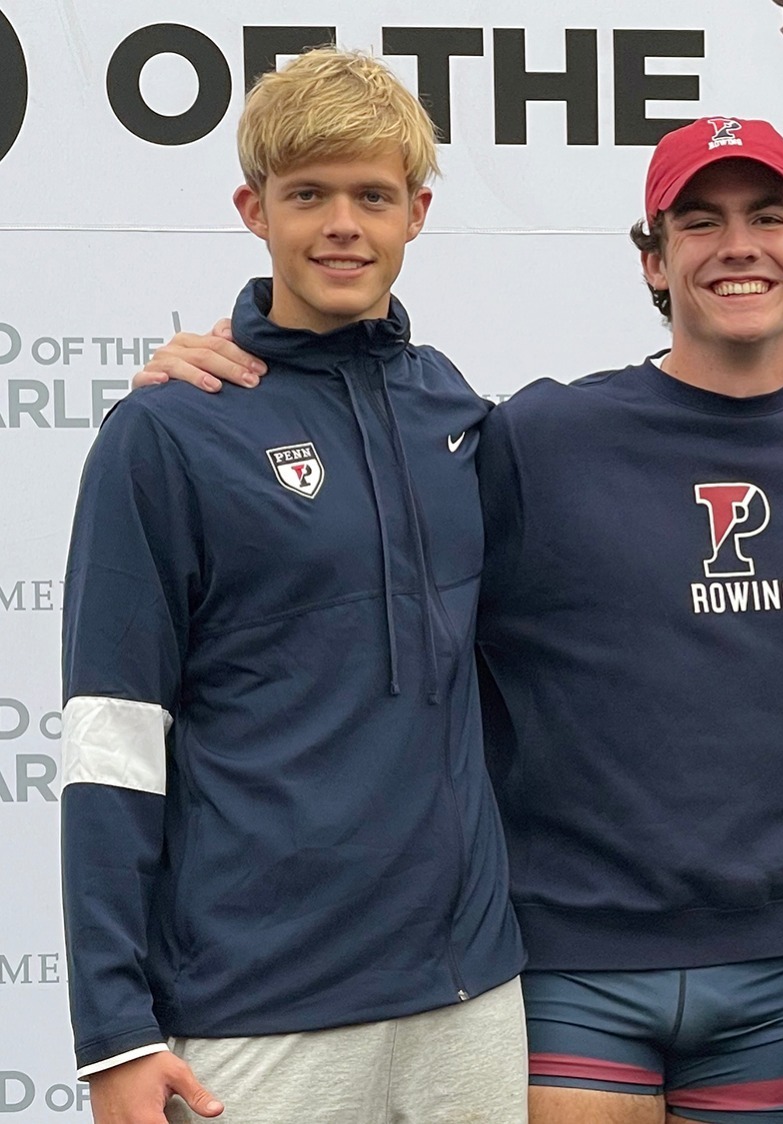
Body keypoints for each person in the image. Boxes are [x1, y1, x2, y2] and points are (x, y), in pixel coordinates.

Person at [58, 49, 525, 1124]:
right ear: (252, 207)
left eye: (372, 196)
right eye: (307, 194)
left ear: (417, 211)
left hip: (469, 997)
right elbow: (111, 735)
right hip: (259, 1008)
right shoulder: (167, 429)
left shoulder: (450, 409)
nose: (342, 226)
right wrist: (114, 1031)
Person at [473, 115, 783, 1124]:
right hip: (570, 965)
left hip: (772, 969)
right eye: (699, 221)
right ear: (652, 259)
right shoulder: (543, 437)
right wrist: (246, 368)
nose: (737, 245)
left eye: (767, 218)